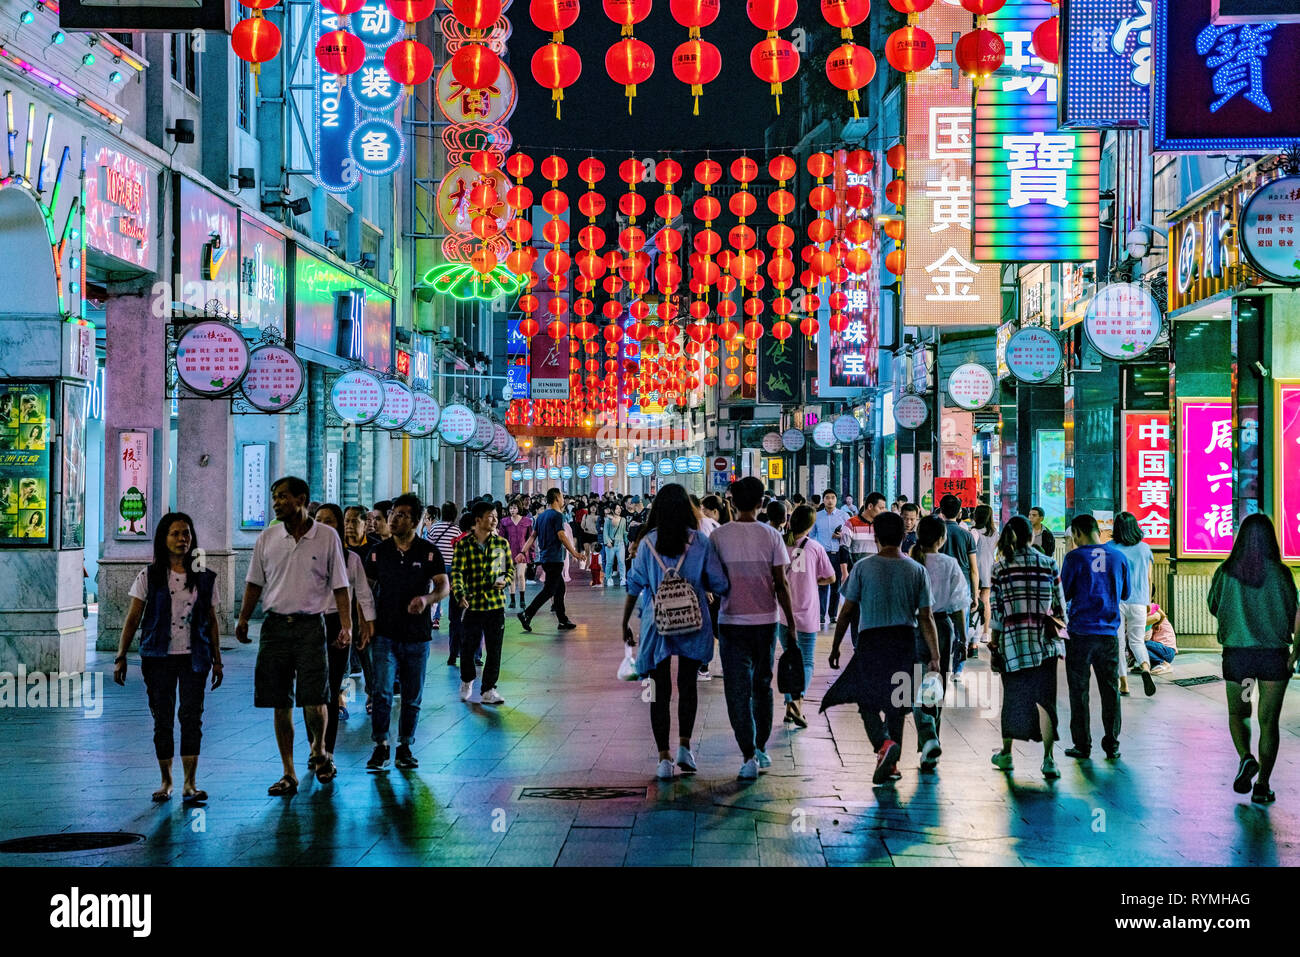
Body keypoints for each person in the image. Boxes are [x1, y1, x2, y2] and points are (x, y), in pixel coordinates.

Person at [235, 476, 352, 796]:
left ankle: (319, 749)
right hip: (274, 628)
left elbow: (341, 585)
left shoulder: (327, 537)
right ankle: (288, 772)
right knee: (279, 702)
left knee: (315, 698)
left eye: (283, 496)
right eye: (274, 496)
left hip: (311, 626)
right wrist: (244, 618)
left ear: (302, 498)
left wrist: (346, 625)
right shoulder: (267, 537)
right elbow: (254, 583)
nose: (276, 502)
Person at [622, 483, 730, 779]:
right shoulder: (700, 542)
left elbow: (634, 584)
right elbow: (719, 583)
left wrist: (624, 623)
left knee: (659, 691)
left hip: (657, 625)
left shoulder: (647, 543)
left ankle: (663, 758)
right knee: (688, 685)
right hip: (693, 622)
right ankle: (684, 747)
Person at [114, 513, 222, 803]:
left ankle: (190, 782)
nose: (181, 539)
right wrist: (121, 655)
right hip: (157, 657)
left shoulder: (204, 578)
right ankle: (166, 781)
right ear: (163, 539)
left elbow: (212, 622)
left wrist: (218, 659)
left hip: (194, 658)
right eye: (174, 534)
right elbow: (133, 617)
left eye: (185, 533)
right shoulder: (148, 576)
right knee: (162, 719)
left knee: (191, 717)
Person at [826, 511, 940, 784]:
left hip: (871, 642)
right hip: (905, 642)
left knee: (866, 700)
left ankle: (883, 744)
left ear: (875, 536)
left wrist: (835, 646)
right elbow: (926, 617)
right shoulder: (916, 569)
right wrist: (934, 656)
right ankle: (892, 764)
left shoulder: (863, 568)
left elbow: (847, 611)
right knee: (897, 706)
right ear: (904, 536)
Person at [709, 476, 798, 780]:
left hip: (730, 623)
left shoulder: (718, 537)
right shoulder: (772, 536)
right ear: (762, 504)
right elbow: (782, 583)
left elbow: (712, 580)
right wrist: (792, 623)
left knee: (737, 689)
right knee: (762, 685)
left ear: (731, 502)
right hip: (766, 622)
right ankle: (760, 748)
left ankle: (748, 755)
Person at [1208, 513, 1299, 804]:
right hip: (1273, 657)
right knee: (1268, 722)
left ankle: (1246, 757)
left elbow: (1213, 606)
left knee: (1240, 714)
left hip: (1239, 657)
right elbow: (1295, 614)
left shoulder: (1226, 571)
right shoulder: (1281, 574)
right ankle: (1262, 786)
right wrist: (1296, 653)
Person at [362, 494, 449, 772]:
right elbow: (365, 590)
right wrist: (365, 621)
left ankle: (405, 746)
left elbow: (443, 586)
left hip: (417, 635)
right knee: (382, 692)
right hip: (384, 633)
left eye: (400, 515)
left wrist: (427, 600)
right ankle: (380, 746)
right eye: (392, 514)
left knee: (412, 694)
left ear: (414, 520)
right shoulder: (379, 552)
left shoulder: (429, 551)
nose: (393, 519)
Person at [987, 516, 1068, 779]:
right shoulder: (1049, 564)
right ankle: (1048, 760)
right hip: (1045, 645)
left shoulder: (1000, 568)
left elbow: (997, 614)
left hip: (1014, 644)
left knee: (1013, 699)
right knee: (1046, 702)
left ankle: (1007, 754)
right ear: (1031, 536)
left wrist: (995, 645)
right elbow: (1060, 607)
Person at [311, 504, 376, 780]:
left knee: (332, 690)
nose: (324, 525)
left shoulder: (350, 559)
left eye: (329, 521)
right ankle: (315, 747)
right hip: (310, 626)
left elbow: (363, 594)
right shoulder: (305, 555)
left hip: (339, 625)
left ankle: (328, 751)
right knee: (310, 694)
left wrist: (366, 625)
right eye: (318, 520)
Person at [1060, 513, 1130, 762]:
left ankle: (1082, 744)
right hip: (1109, 634)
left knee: (1079, 691)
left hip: (1080, 633)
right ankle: (1112, 745)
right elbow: (1125, 593)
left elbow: (1064, 593)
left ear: (1077, 533)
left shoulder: (1074, 557)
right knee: (1110, 691)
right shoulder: (1119, 557)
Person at [909, 515, 969, 770]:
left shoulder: (909, 563)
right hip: (942, 628)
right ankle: (930, 742)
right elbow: (958, 605)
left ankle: (927, 737)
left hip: (912, 627)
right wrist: (963, 637)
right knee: (936, 686)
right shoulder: (950, 564)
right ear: (942, 539)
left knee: (913, 686)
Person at [777, 505, 834, 729]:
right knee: (807, 661)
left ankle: (791, 703)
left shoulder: (780, 545)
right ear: (811, 525)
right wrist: (813, 581)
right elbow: (830, 577)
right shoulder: (815, 548)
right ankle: (795, 701)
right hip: (808, 612)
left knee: (791, 657)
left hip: (783, 612)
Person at [452, 501, 513, 705]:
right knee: (468, 647)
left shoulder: (501, 544)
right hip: (473, 605)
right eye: (490, 516)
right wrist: (460, 593)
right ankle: (467, 679)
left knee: (494, 649)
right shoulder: (464, 545)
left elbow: (508, 570)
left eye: (496, 515)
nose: (495, 519)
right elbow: (458, 572)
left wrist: (505, 580)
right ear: (478, 520)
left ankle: (488, 689)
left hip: (496, 605)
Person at [518, 488, 585, 632]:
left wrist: (523, 551)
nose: (563, 500)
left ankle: (562, 620)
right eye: (561, 497)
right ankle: (526, 613)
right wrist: (575, 553)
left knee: (560, 589)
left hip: (546, 558)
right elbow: (561, 536)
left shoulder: (541, 517)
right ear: (556, 498)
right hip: (555, 558)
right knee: (549, 590)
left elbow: (532, 536)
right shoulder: (557, 516)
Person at [1111, 511, 1158, 697]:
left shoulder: (1110, 548)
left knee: (1119, 643)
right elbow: (1148, 577)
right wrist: (1147, 601)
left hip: (1117, 600)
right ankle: (1145, 668)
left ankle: (1124, 683)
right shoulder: (1145, 549)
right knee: (1137, 640)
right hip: (1139, 600)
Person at [938, 494, 979, 679]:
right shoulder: (967, 535)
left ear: (940, 511)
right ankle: (958, 669)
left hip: (939, 586)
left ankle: (940, 665)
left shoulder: (936, 533)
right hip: (962, 587)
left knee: (940, 626)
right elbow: (974, 569)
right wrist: (975, 595)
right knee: (960, 629)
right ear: (960, 512)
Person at [811, 489, 850, 630]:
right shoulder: (816, 516)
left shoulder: (844, 516)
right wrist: (819, 543)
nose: (830, 500)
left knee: (836, 585)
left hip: (837, 554)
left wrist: (841, 536)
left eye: (833, 498)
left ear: (836, 500)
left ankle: (833, 614)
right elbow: (812, 534)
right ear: (823, 500)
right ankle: (821, 614)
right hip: (822, 554)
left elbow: (849, 535)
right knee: (822, 584)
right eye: (827, 498)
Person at [422, 503, 460, 634]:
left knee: (438, 592)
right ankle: (454, 618)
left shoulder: (435, 527)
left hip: (438, 566)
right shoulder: (457, 530)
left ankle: (436, 619)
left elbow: (429, 545)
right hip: (452, 565)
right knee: (453, 593)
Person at [971, 504, 998, 653]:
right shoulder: (995, 533)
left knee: (975, 599)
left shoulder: (975, 532)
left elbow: (972, 549)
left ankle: (973, 632)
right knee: (986, 601)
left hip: (977, 568)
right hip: (990, 568)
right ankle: (985, 633)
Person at [499, 501, 533, 608]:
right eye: (510, 508)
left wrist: (531, 553)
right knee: (511, 577)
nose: (512, 510)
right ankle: (512, 599)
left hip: (523, 552)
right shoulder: (504, 522)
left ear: (519, 508)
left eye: (514, 508)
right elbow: (502, 538)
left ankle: (522, 598)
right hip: (509, 552)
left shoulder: (527, 522)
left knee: (521, 575)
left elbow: (530, 538)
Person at [844, 492, 887, 561]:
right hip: (856, 569)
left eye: (883, 508)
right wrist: (845, 571)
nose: (882, 511)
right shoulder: (851, 523)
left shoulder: (882, 525)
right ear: (870, 506)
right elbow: (844, 549)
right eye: (880, 508)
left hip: (876, 568)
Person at [1144, 603, 1176, 674]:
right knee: (1136, 643)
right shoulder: (1152, 611)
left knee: (1137, 643)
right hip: (1165, 651)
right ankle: (1150, 665)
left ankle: (1161, 663)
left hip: (1166, 650)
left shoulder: (1151, 612)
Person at [602, 502, 629, 586]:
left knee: (621, 562)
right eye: (617, 508)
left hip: (620, 543)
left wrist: (628, 542)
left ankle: (623, 578)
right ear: (613, 510)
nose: (619, 510)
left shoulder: (623, 520)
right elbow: (605, 532)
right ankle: (609, 578)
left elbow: (624, 532)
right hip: (611, 543)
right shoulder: (608, 519)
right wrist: (607, 541)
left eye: (619, 508)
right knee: (609, 562)